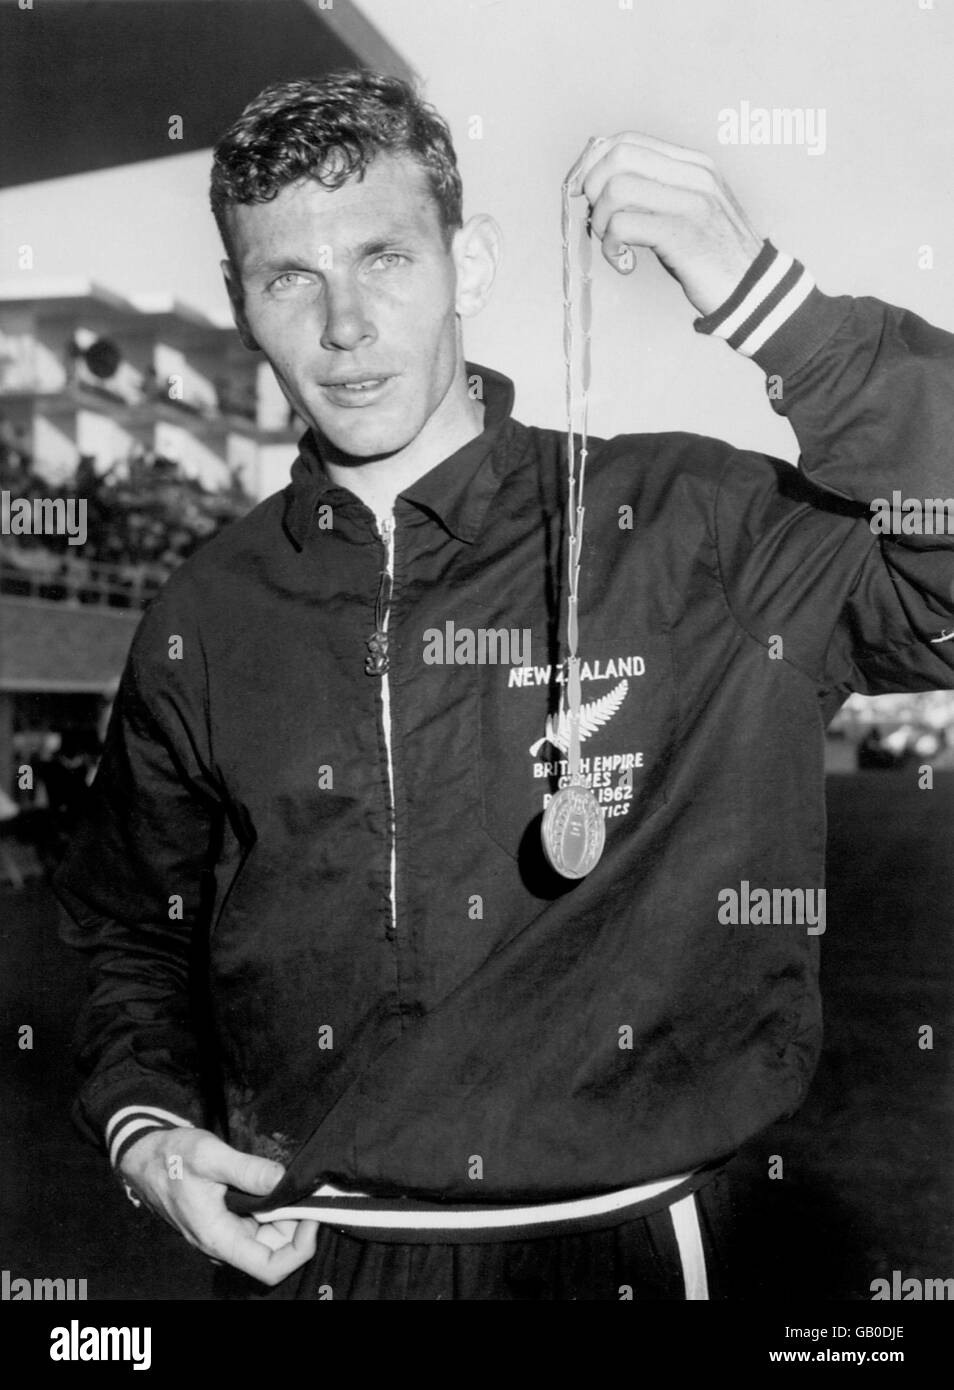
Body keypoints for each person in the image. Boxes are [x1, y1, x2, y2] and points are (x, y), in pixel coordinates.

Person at [54, 69, 954, 1301]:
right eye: (290, 279)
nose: (347, 326)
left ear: (469, 266)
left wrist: (767, 299)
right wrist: (143, 1124)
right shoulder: (205, 612)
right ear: (239, 303)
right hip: (310, 1264)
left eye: (386, 258)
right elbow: (131, 929)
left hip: (640, 1251)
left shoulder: (693, 526)